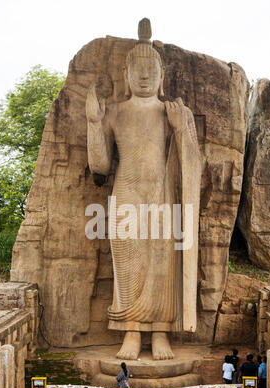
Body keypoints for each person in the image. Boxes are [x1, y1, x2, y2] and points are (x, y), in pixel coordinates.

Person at [86, 18, 201, 361]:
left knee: (163, 264)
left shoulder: (173, 112)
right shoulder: (115, 112)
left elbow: (192, 163)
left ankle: (161, 332)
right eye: (138, 68)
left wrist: (181, 131)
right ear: (126, 71)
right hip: (126, 195)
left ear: (161, 73)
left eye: (151, 68)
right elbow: (100, 167)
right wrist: (94, 123)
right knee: (127, 264)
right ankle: (132, 332)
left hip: (162, 196)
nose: (145, 75)